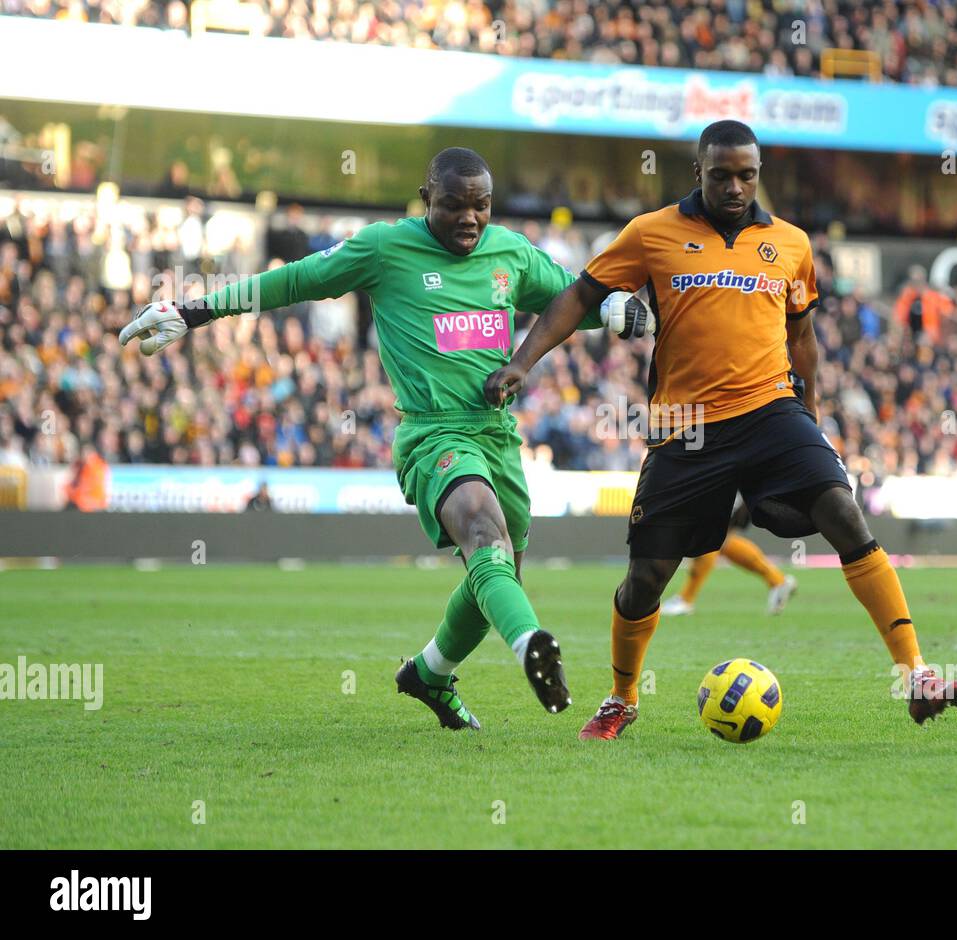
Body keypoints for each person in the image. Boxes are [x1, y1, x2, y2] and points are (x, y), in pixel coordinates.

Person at [119, 147, 651, 731]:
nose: (470, 218)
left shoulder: (511, 255)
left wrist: (618, 307)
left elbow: (571, 299)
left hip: (498, 437)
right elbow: (294, 280)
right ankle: (531, 645)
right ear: (427, 200)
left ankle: (428, 674)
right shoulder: (384, 248)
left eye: (482, 206)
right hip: (430, 434)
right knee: (482, 532)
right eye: (454, 206)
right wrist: (194, 311)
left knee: (494, 577)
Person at [487, 120, 957, 740]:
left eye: (747, 175)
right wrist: (522, 363)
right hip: (685, 425)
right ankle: (622, 697)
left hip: (772, 411)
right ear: (698, 173)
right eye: (721, 175)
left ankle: (915, 674)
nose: (736, 187)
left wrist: (811, 413)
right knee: (645, 580)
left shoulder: (790, 243)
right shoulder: (652, 233)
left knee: (844, 514)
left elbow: (802, 335)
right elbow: (580, 296)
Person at [661, 496, 797, 616]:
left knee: (709, 534)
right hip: (731, 476)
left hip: (730, 476)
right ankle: (778, 581)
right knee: (720, 538)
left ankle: (686, 599)